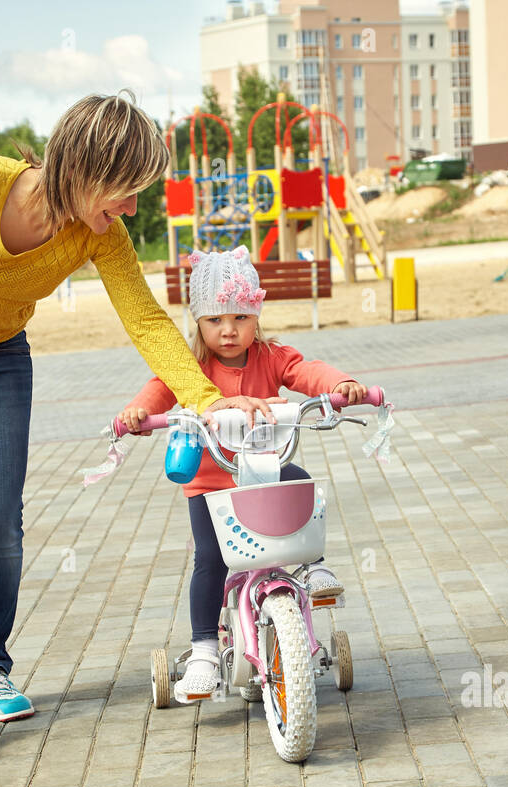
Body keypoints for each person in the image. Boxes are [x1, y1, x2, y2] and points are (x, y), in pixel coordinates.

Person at [0, 91, 279, 752]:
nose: (131, 209)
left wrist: (207, 400)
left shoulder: (99, 234)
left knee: (0, 526)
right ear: (88, 170)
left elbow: (148, 321)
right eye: (126, 192)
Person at [117, 245, 367, 704]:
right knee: (210, 560)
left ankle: (312, 568)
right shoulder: (191, 367)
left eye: (240, 318)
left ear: (256, 315)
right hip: (211, 485)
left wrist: (338, 385)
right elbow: (160, 389)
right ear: (198, 323)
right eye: (215, 321)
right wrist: (138, 413)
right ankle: (205, 651)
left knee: (299, 480)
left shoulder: (272, 356)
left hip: (264, 473)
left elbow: (306, 371)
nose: (228, 331)